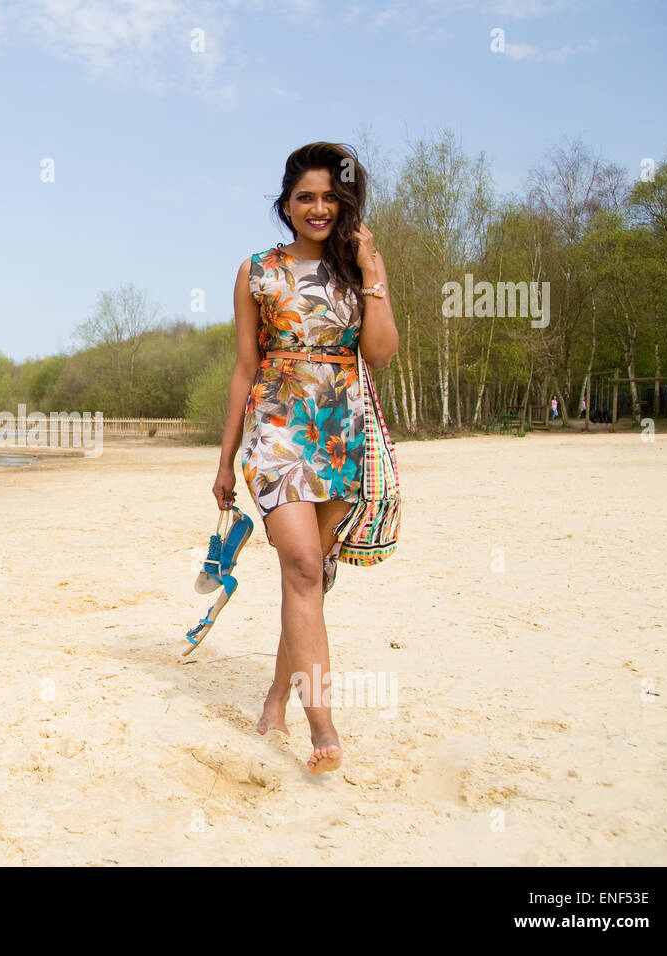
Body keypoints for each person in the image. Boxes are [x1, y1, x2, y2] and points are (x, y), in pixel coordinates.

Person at [212, 142, 399, 775]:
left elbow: (380, 353)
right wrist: (225, 459)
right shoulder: (257, 272)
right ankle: (323, 719)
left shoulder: (358, 268)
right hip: (276, 430)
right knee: (299, 564)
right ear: (285, 203)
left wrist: (371, 268)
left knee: (310, 578)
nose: (317, 208)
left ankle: (275, 696)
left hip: (341, 432)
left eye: (330, 197)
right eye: (304, 197)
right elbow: (243, 366)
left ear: (346, 202)